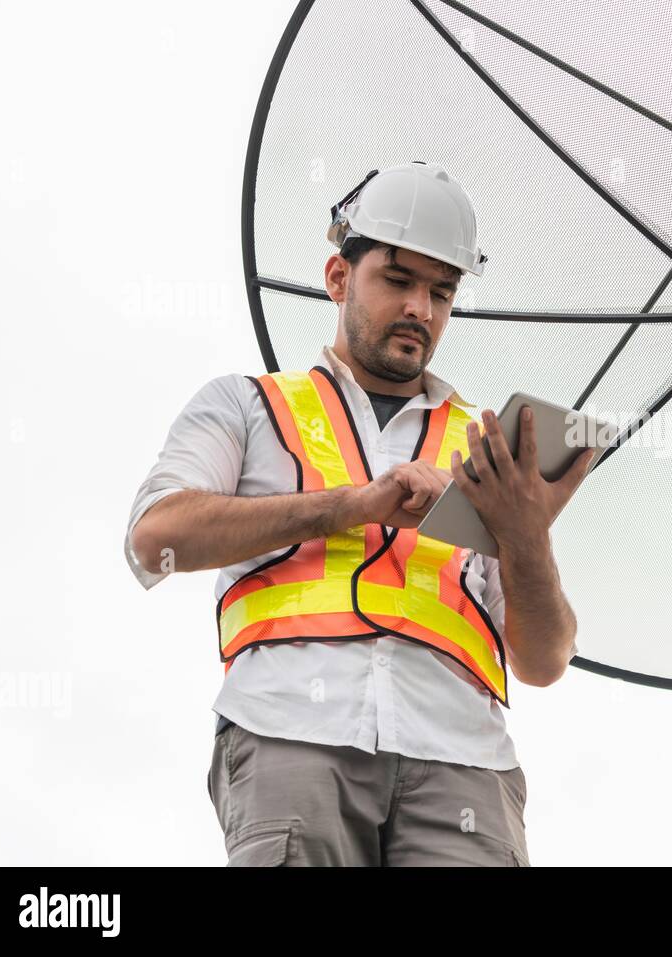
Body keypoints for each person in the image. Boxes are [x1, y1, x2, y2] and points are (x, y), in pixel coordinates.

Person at [124, 161, 595, 866]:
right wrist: (355, 504)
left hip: (463, 755)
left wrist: (526, 534)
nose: (421, 309)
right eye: (398, 280)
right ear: (339, 279)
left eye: (441, 291)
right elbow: (154, 540)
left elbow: (544, 659)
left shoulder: (489, 452)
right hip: (291, 729)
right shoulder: (246, 405)